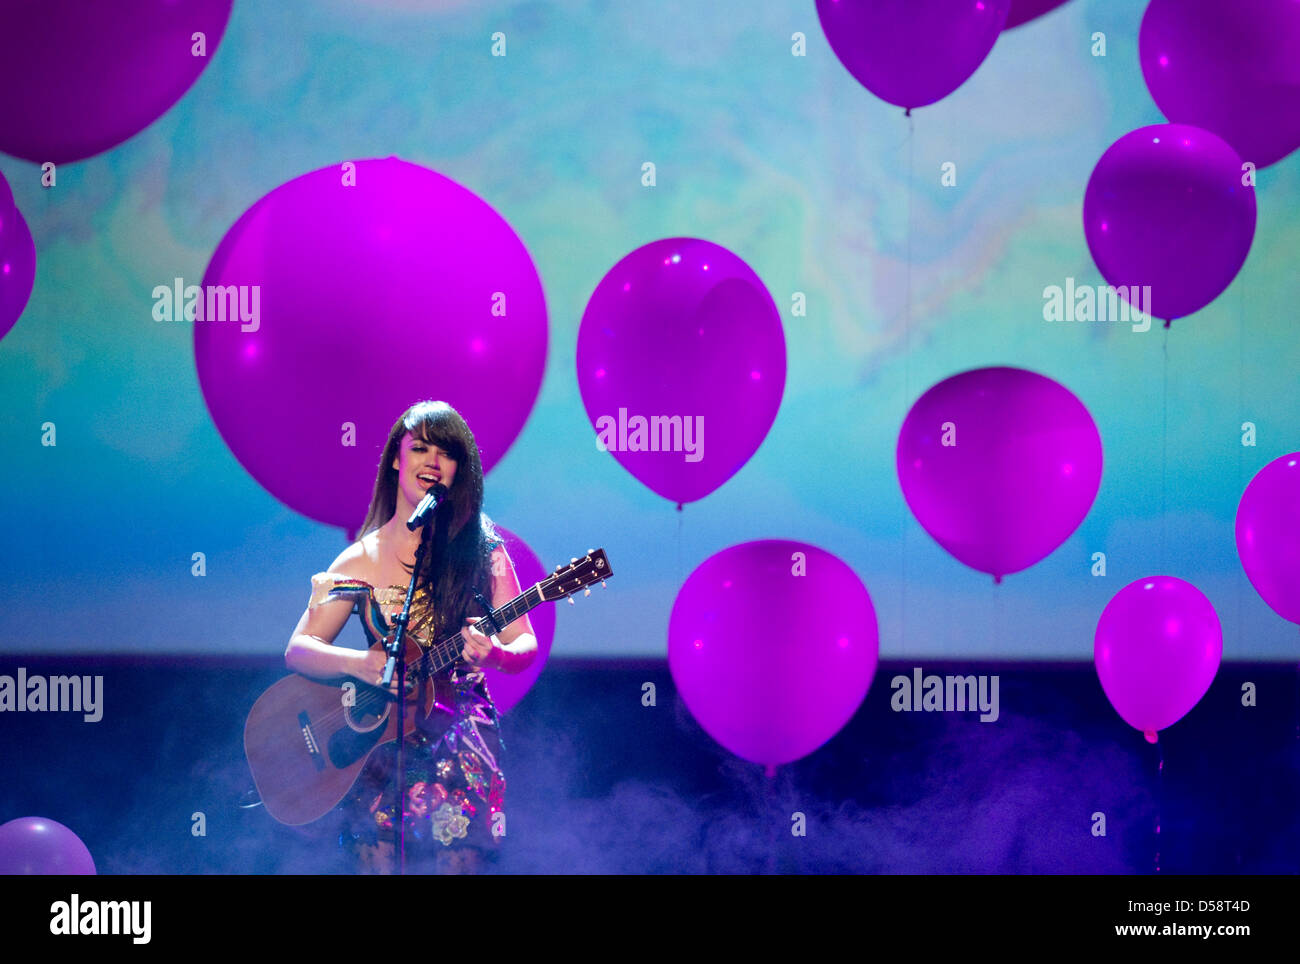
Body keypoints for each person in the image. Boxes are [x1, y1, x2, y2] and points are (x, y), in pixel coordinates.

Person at [284, 400, 537, 874]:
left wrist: (499, 655)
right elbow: (299, 649)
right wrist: (359, 665)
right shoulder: (360, 558)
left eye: (446, 452)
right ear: (396, 459)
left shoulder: (484, 549)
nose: (432, 461)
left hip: (459, 737)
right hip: (378, 744)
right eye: (420, 448)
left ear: (460, 468)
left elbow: (524, 643)